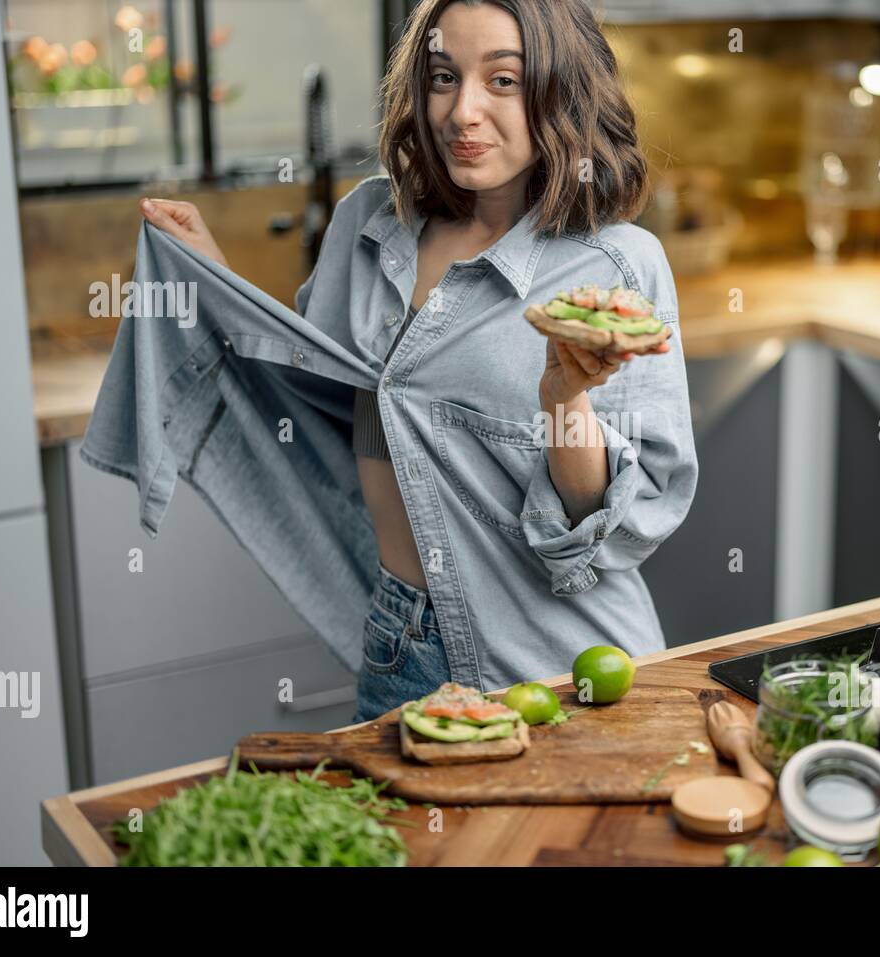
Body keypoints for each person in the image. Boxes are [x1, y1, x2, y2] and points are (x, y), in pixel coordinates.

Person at [133, 0, 697, 722]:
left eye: (502, 80)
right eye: (442, 76)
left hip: (555, 664)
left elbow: (603, 533)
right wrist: (216, 281)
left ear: (560, 88)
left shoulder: (617, 267)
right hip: (397, 645)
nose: (462, 110)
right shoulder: (367, 227)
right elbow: (319, 402)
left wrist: (564, 400)